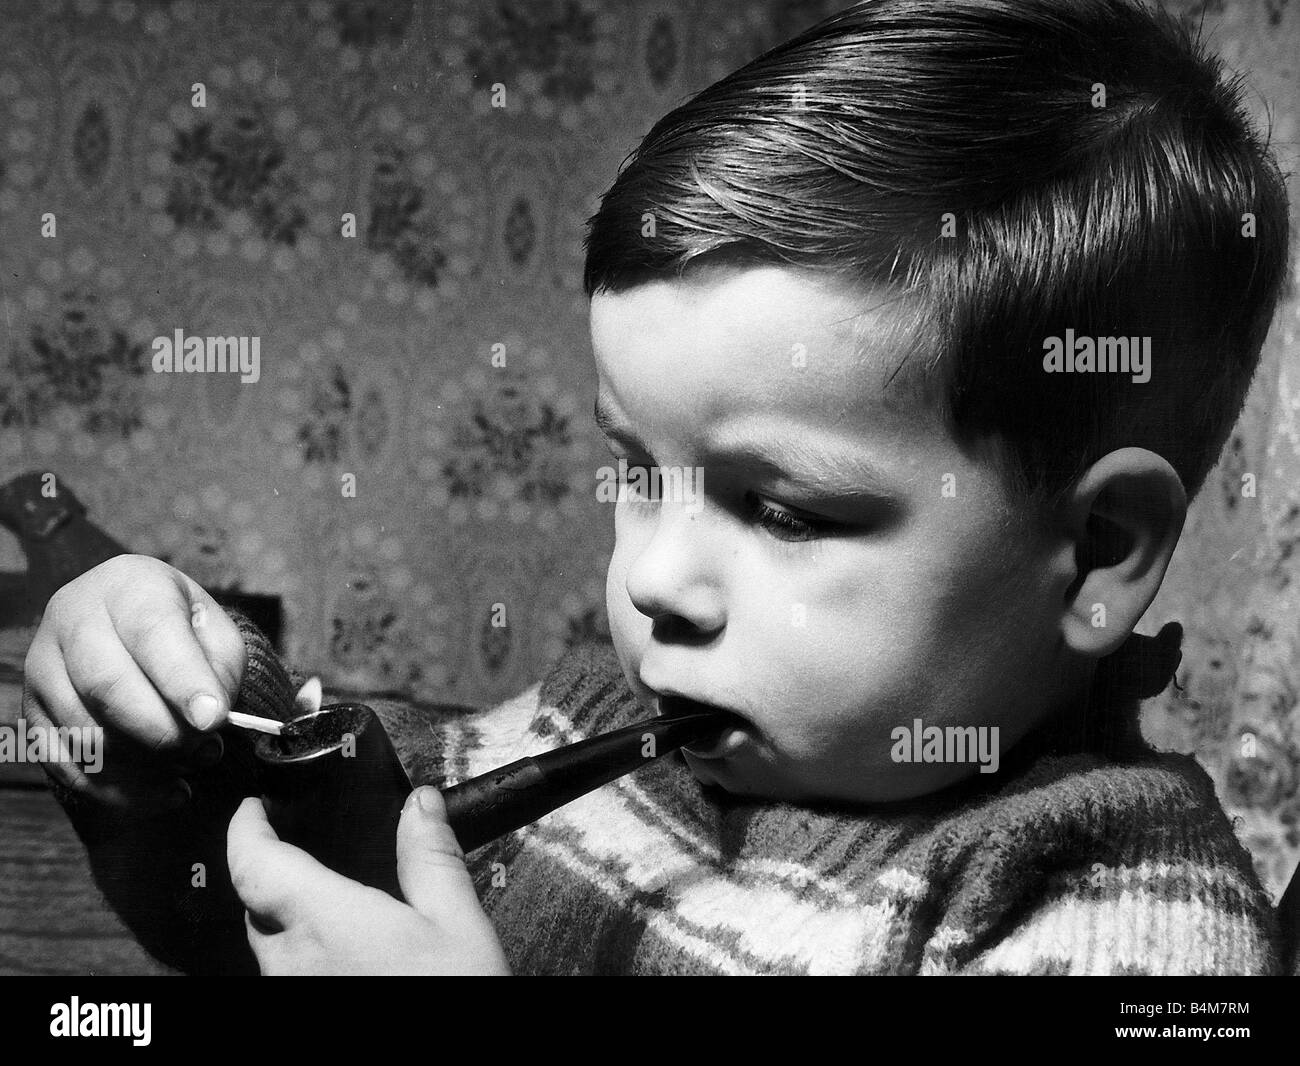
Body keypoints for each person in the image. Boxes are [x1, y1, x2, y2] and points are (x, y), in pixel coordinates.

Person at [23, 0, 1291, 974]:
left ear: (1098, 549)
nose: (650, 579)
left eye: (782, 508)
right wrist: (174, 730)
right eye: (636, 469)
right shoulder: (581, 734)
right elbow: (282, 893)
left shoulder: (1135, 930)